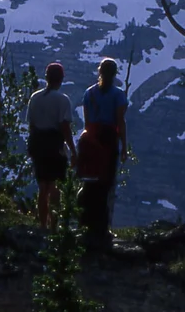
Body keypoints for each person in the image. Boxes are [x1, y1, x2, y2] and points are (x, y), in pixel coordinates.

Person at [77, 57, 128, 241]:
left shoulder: (89, 93)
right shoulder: (118, 95)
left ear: (100, 72)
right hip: (108, 140)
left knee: (89, 181)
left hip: (91, 138)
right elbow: (120, 122)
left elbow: (87, 121)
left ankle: (84, 221)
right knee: (105, 183)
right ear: (114, 74)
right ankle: (102, 227)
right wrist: (124, 146)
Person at [25, 62, 77, 230]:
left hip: (38, 142)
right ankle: (54, 224)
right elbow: (64, 126)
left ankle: (42, 224)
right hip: (54, 143)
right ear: (61, 79)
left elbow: (31, 123)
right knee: (54, 185)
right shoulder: (63, 100)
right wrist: (73, 149)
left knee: (42, 186)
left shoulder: (35, 97)